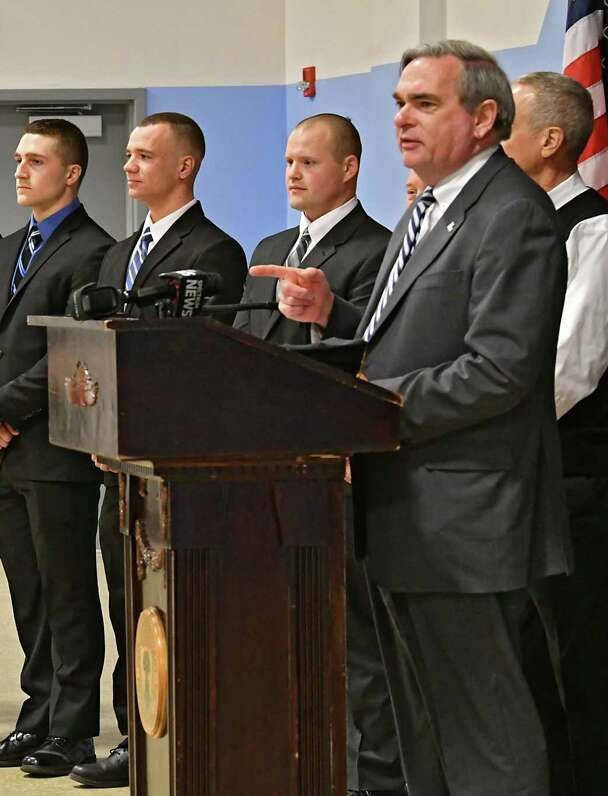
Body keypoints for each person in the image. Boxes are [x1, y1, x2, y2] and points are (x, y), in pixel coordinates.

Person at [252, 41, 570, 796]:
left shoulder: (510, 214)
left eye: (424, 104)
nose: (400, 118)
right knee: (424, 731)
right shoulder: (431, 206)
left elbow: (500, 369)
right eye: (399, 103)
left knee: (484, 735)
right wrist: (335, 313)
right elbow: (410, 338)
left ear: (484, 117)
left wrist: (368, 408)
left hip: (466, 520)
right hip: (406, 509)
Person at [73, 111, 247, 790]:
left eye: (145, 155)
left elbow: (198, 362)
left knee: (173, 606)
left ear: (185, 165)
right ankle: (133, 733)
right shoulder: (119, 253)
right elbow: (100, 349)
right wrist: (102, 431)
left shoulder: (215, 251)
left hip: (173, 463)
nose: (129, 165)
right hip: (117, 465)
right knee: (126, 602)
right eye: (129, 154)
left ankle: (184, 733)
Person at [234, 114, 402, 796]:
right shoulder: (272, 247)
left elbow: (381, 355)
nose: (294, 174)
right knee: (283, 631)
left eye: (309, 162)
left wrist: (328, 313)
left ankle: (372, 777)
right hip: (264, 470)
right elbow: (243, 348)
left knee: (356, 643)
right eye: (288, 162)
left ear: (350, 167)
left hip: (339, 473)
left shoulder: (379, 248)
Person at [0, 119, 113, 777]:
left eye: (36, 161)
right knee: (27, 595)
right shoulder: (3, 250)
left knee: (68, 595)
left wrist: (1, 407)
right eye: (19, 159)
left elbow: (73, 351)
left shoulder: (94, 250)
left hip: (54, 453)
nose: (20, 170)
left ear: (71, 173)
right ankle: (37, 716)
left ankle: (73, 730)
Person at [502, 70, 608, 796]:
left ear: (549, 140)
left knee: (581, 668)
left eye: (506, 124)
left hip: (575, 484)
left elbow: (571, 371)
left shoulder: (591, 229)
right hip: (520, 479)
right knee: (527, 664)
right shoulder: (517, 227)